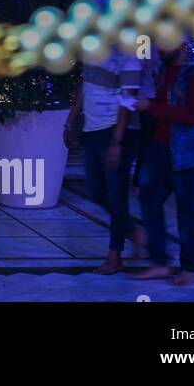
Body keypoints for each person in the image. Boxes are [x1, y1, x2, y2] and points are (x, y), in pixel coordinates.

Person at [134, 40, 194, 286]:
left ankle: (190, 267)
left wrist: (152, 107)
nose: (160, 50)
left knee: (188, 209)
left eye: (164, 46)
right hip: (160, 147)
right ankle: (159, 262)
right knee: (148, 199)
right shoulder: (164, 71)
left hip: (187, 154)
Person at [64, 38, 146, 274]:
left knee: (116, 192)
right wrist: (70, 121)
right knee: (97, 190)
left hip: (116, 131)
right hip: (92, 129)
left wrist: (117, 141)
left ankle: (114, 256)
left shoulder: (129, 57)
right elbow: (84, 84)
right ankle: (134, 231)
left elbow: (129, 98)